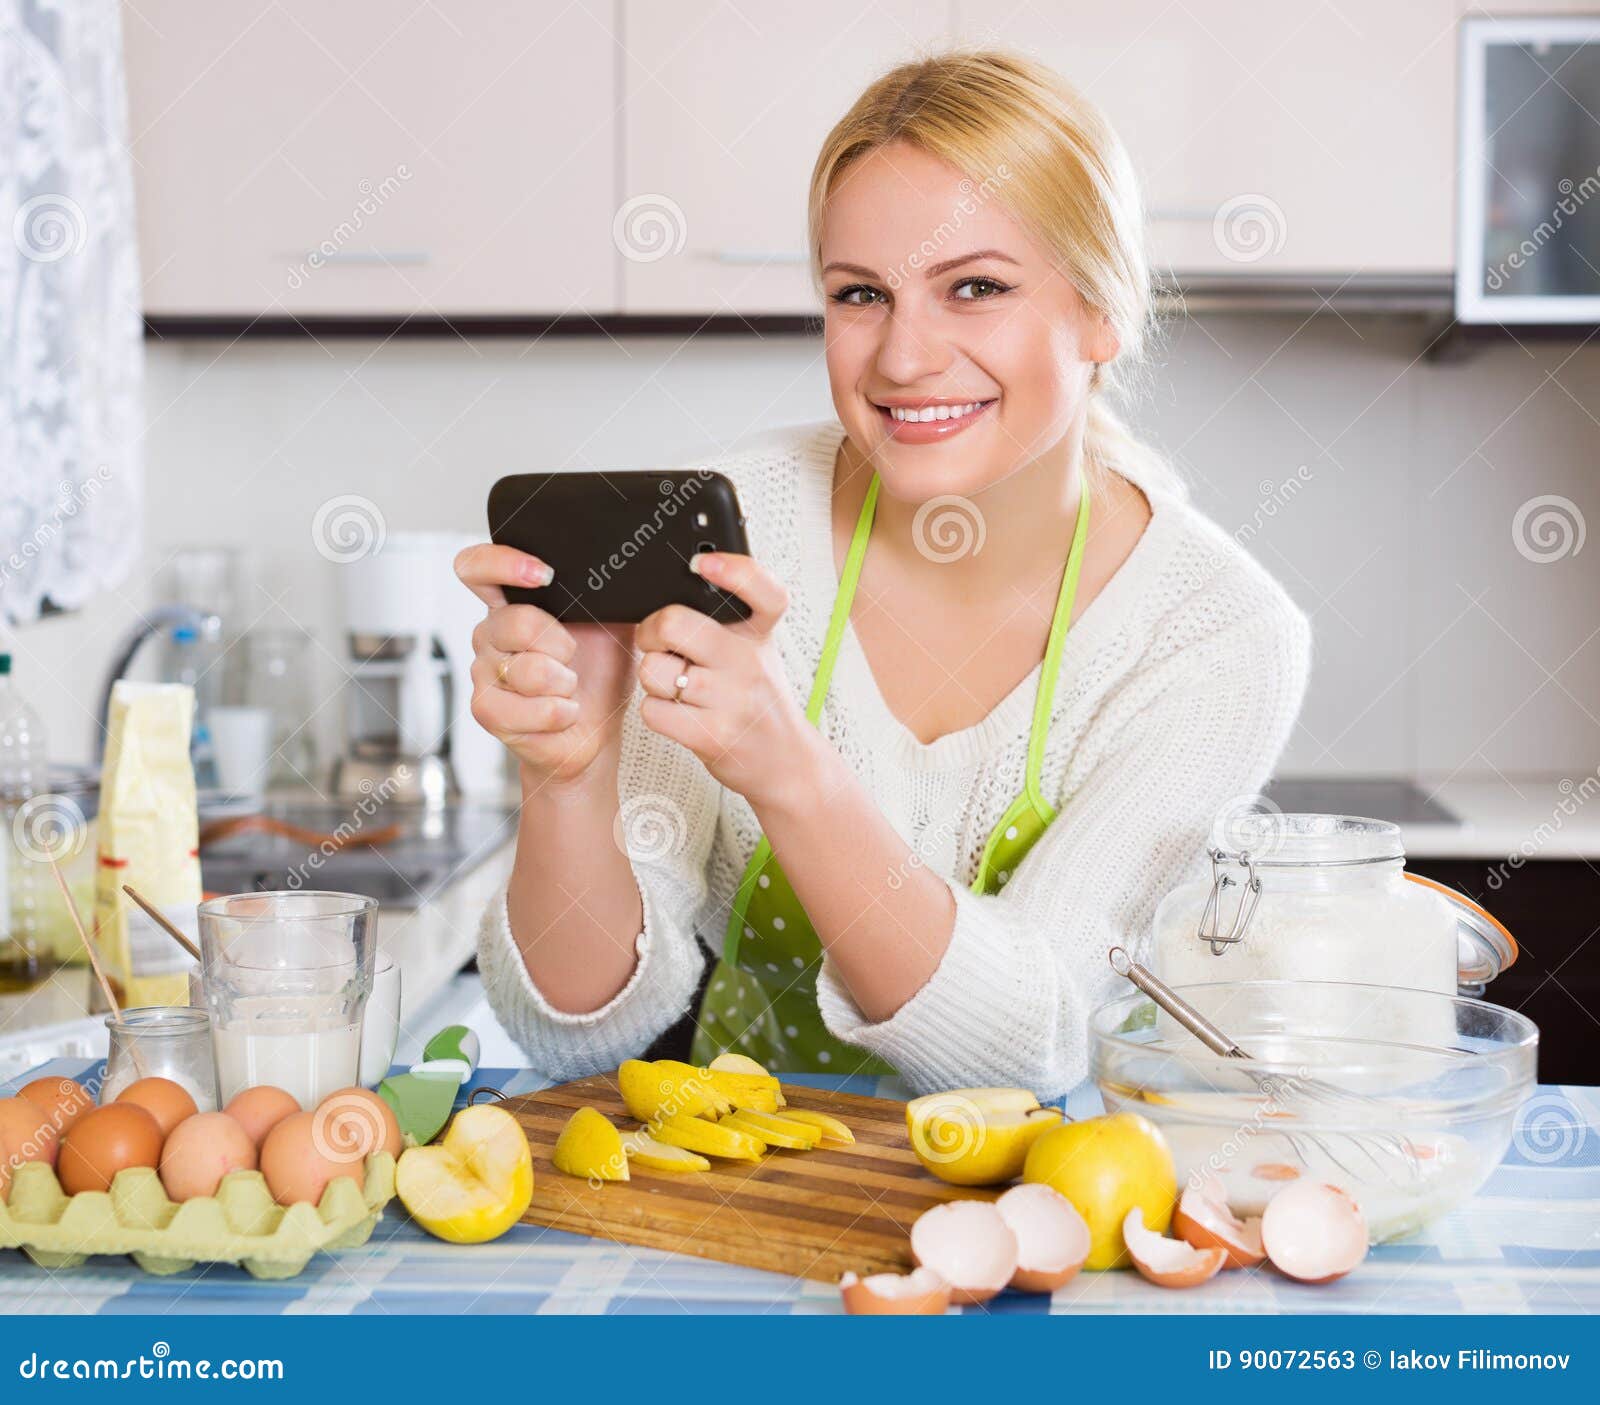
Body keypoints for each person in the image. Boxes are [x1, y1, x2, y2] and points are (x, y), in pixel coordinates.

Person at [454, 50, 1309, 1097]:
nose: (903, 358)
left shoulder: (1214, 634)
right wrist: (569, 781)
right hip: (749, 1198)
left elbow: (1030, 1045)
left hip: (1040, 1213)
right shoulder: (726, 532)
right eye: (861, 294)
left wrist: (787, 768)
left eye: (976, 288)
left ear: (1101, 311)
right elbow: (578, 1038)